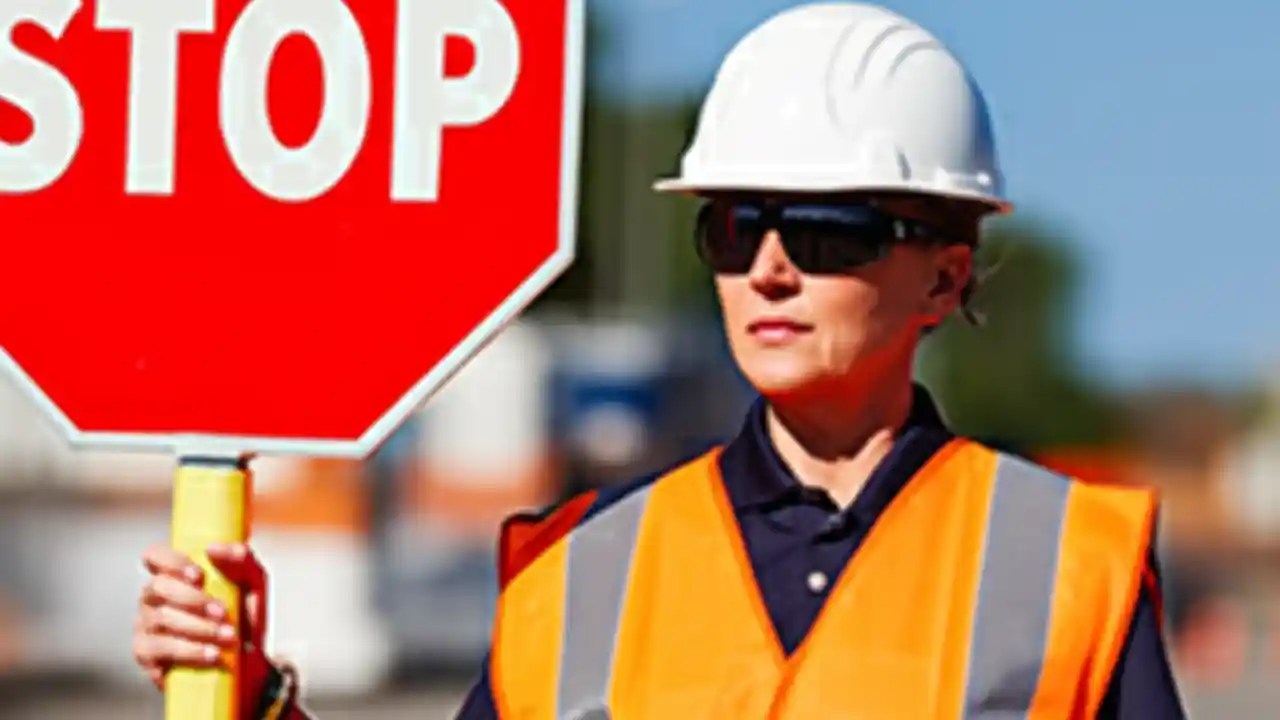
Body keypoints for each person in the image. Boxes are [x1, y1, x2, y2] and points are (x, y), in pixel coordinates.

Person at [131, 3, 1187, 717]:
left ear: (945, 279)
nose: (769, 270)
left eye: (825, 233)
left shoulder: (1068, 567)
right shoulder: (576, 569)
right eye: (734, 229)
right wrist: (254, 692)